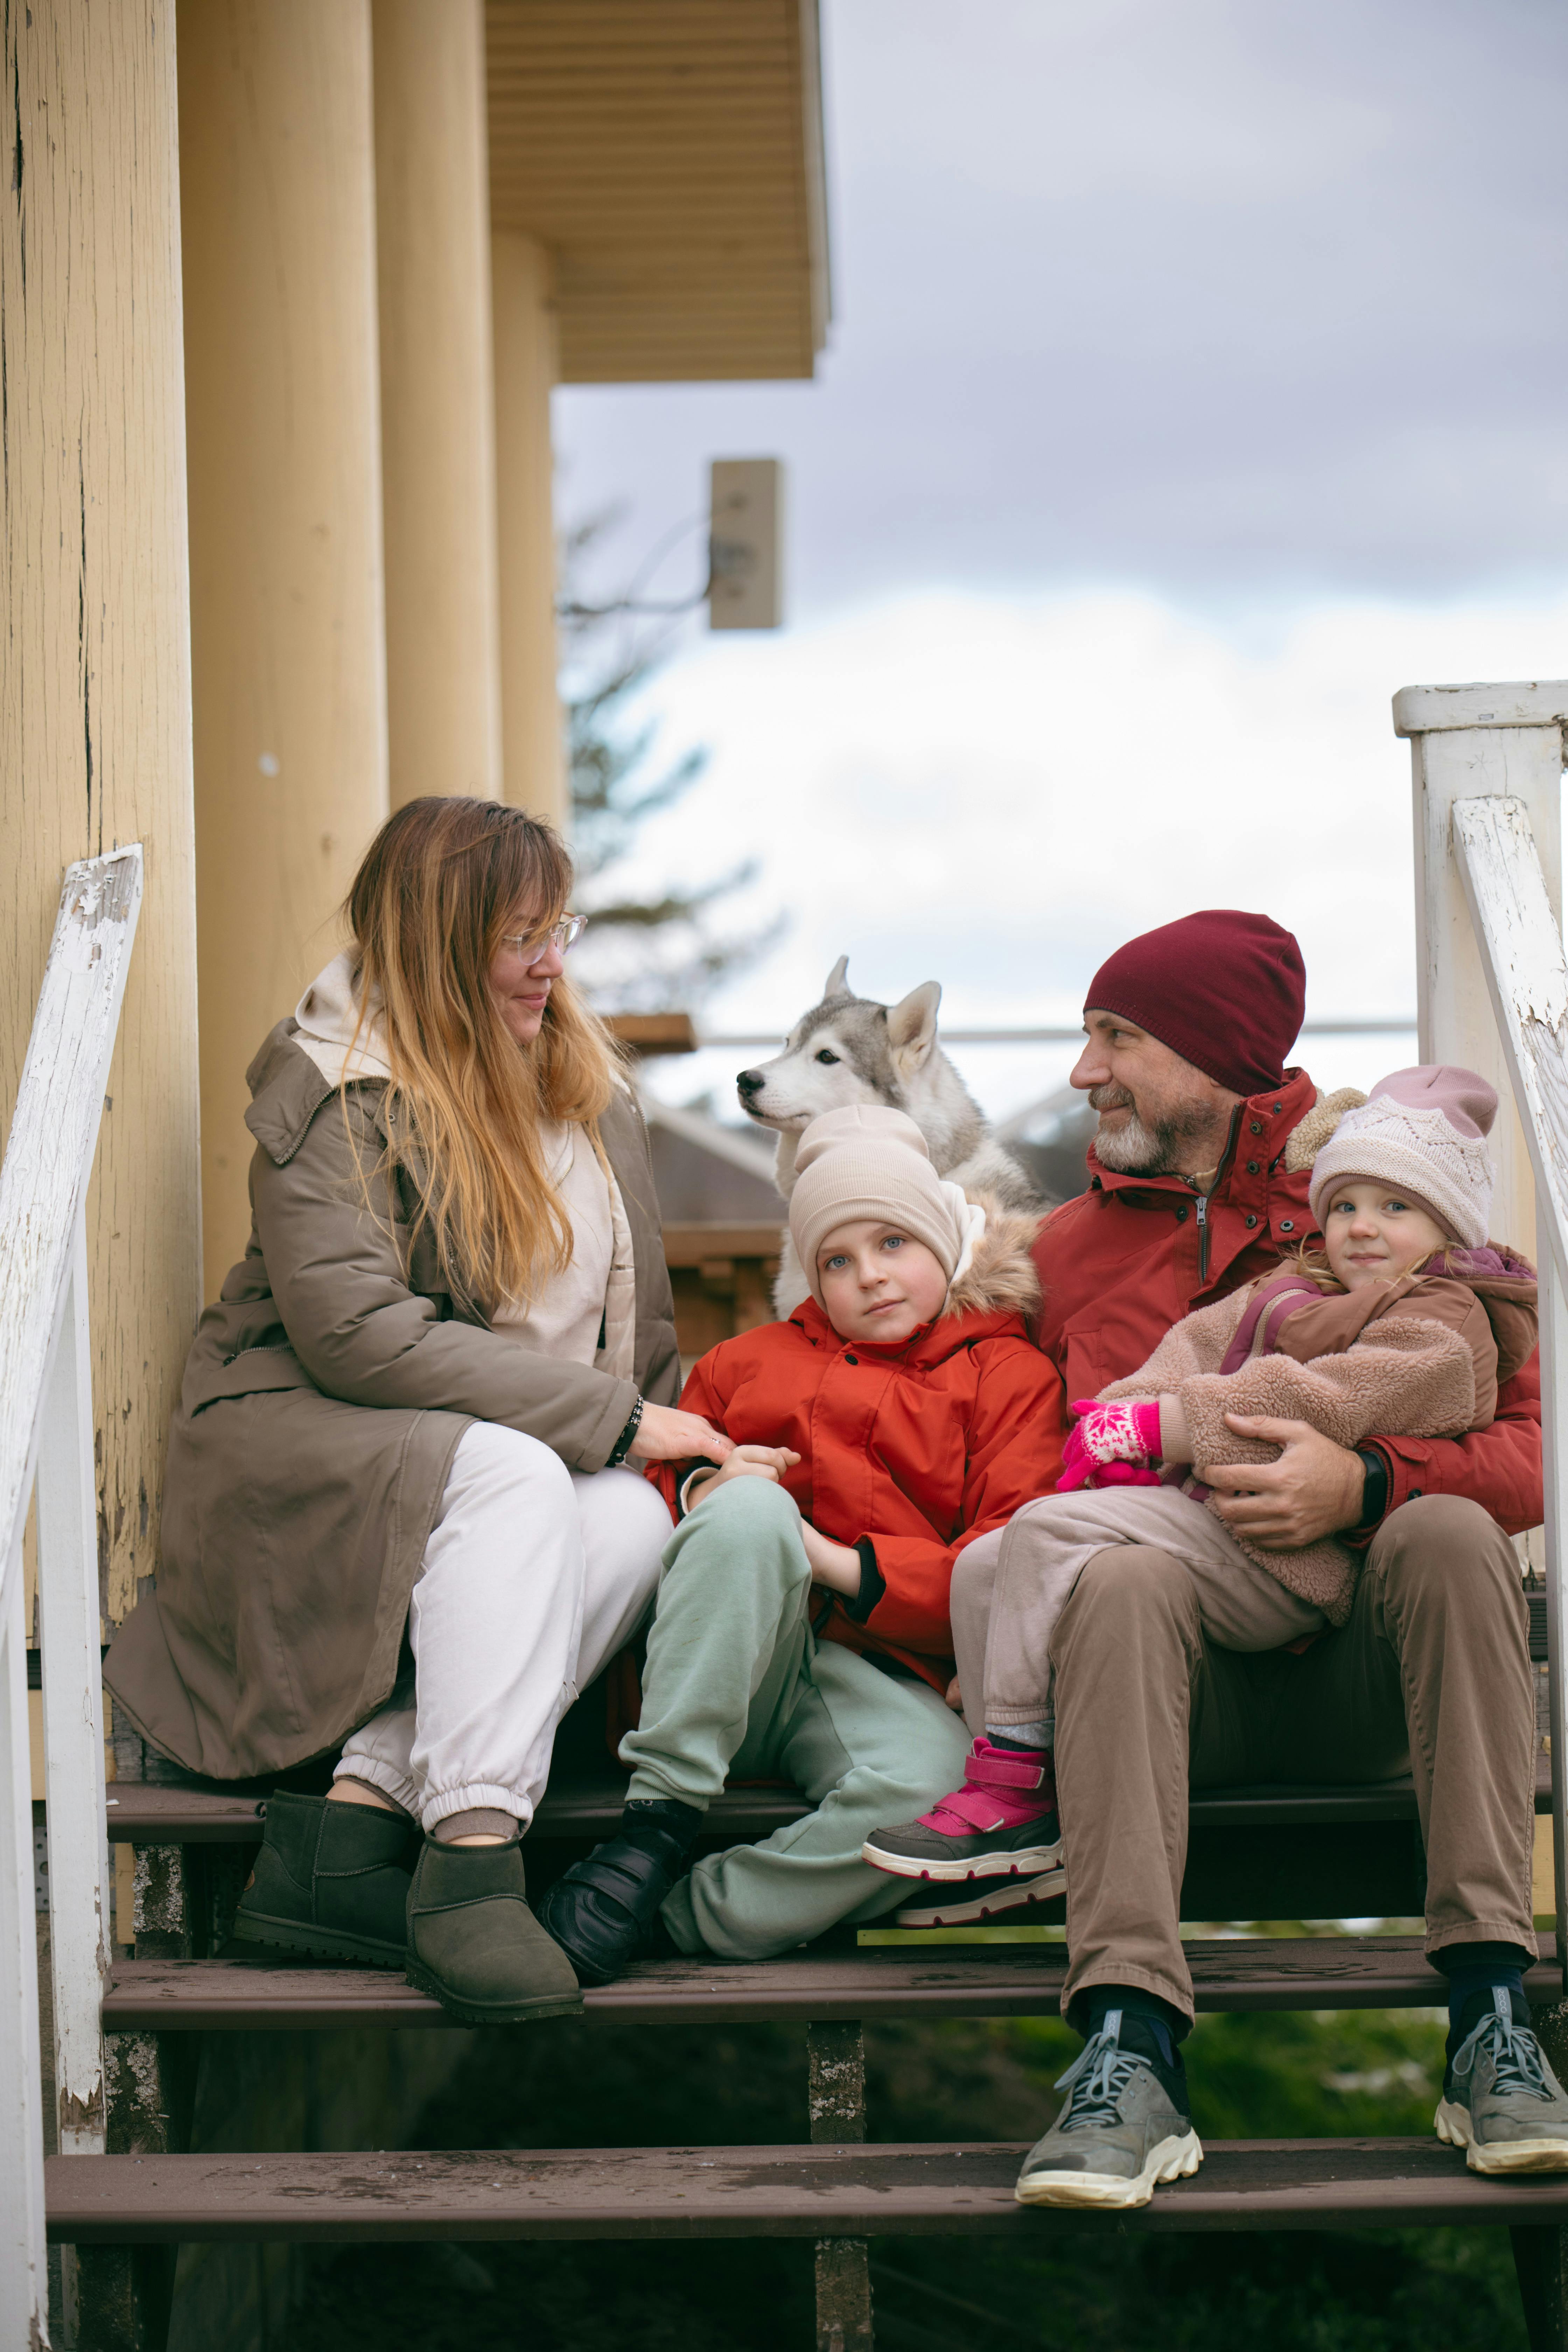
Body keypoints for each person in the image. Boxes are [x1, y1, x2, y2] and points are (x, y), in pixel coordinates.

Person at [872, 908, 1558, 2209]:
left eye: (1115, 1036)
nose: (1085, 1073)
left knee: (1451, 1526)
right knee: (1117, 1574)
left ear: (1210, 1053)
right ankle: (1128, 2046)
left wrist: (1360, 1481)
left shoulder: (1379, 1205)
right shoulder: (1059, 1254)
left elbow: (1527, 1457)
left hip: (1371, 1668)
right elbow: (1025, 1472)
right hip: (1171, 1683)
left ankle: (1490, 2016)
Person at [105, 797, 733, 2027]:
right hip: (300, 1441)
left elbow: (631, 1336)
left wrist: (665, 1446)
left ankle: (355, 1837)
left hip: (474, 1458)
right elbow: (355, 1335)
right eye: (519, 936)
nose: (553, 962)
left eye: (561, 928)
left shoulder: (586, 1089)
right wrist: (617, 1422)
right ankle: (475, 1867)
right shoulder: (335, 1084)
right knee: (526, 1473)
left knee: (631, 1518)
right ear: (440, 944)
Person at [866, 1060, 1536, 1839]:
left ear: (1445, 1226)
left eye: (1393, 1206)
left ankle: (1019, 1774)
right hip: (1202, 1532)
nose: (1360, 1225)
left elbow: (1323, 1397)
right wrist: (1116, 1419)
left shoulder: (1443, 1319)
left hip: (1289, 1557)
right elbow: (1183, 1348)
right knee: (988, 1561)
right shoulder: (1293, 1286)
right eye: (1344, 1203)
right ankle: (1010, 1776)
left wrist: (1167, 1430)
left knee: (1047, 1532)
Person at [535, 1104, 1064, 1981]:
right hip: (723, 1670)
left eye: (893, 1243)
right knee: (745, 1508)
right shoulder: (745, 1363)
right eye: (837, 1260)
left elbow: (1007, 1561)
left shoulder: (1006, 1376)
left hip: (877, 1679)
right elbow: (653, 1493)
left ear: (942, 1238)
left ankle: (675, 1914)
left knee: (931, 1797)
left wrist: (825, 1556)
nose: (871, 1277)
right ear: (811, 1275)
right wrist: (709, 1485)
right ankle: (651, 1826)